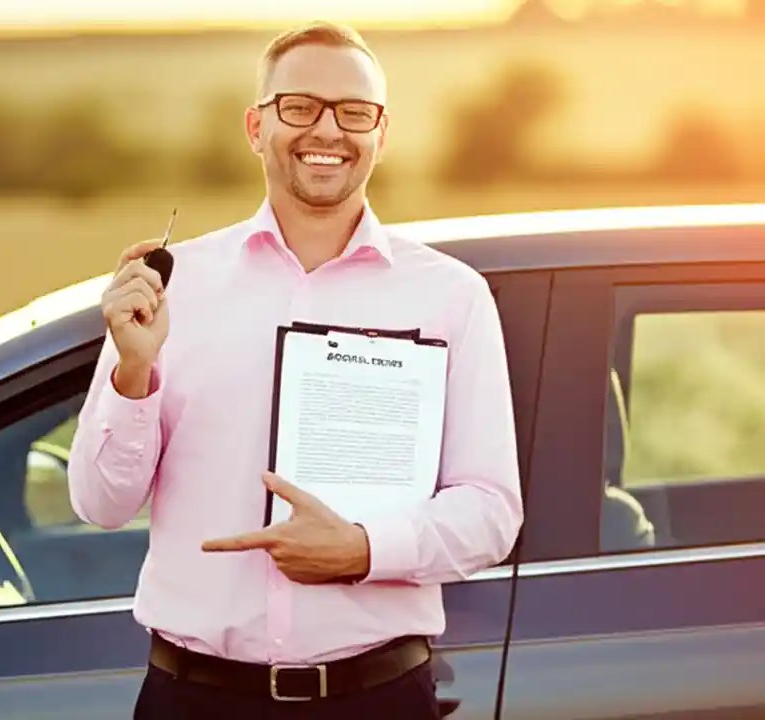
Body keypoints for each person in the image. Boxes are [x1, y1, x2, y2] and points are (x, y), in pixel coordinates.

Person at [66, 20, 523, 719]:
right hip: (195, 698)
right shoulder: (172, 285)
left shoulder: (450, 296)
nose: (328, 130)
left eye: (354, 111)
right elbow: (101, 504)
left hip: (378, 698)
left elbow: (491, 511)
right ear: (256, 126)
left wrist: (363, 550)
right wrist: (134, 370)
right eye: (300, 107)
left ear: (381, 132)